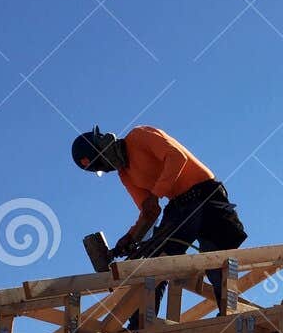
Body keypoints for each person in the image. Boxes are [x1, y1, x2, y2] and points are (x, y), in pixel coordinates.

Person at [69, 124, 246, 313]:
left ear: (103, 143)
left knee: (215, 260)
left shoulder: (139, 135)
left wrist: (156, 194)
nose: (108, 167)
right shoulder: (125, 175)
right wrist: (130, 237)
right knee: (155, 263)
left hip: (205, 194)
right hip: (179, 205)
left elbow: (177, 157)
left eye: (102, 161)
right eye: (102, 167)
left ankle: (229, 315)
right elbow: (149, 211)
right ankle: (141, 322)